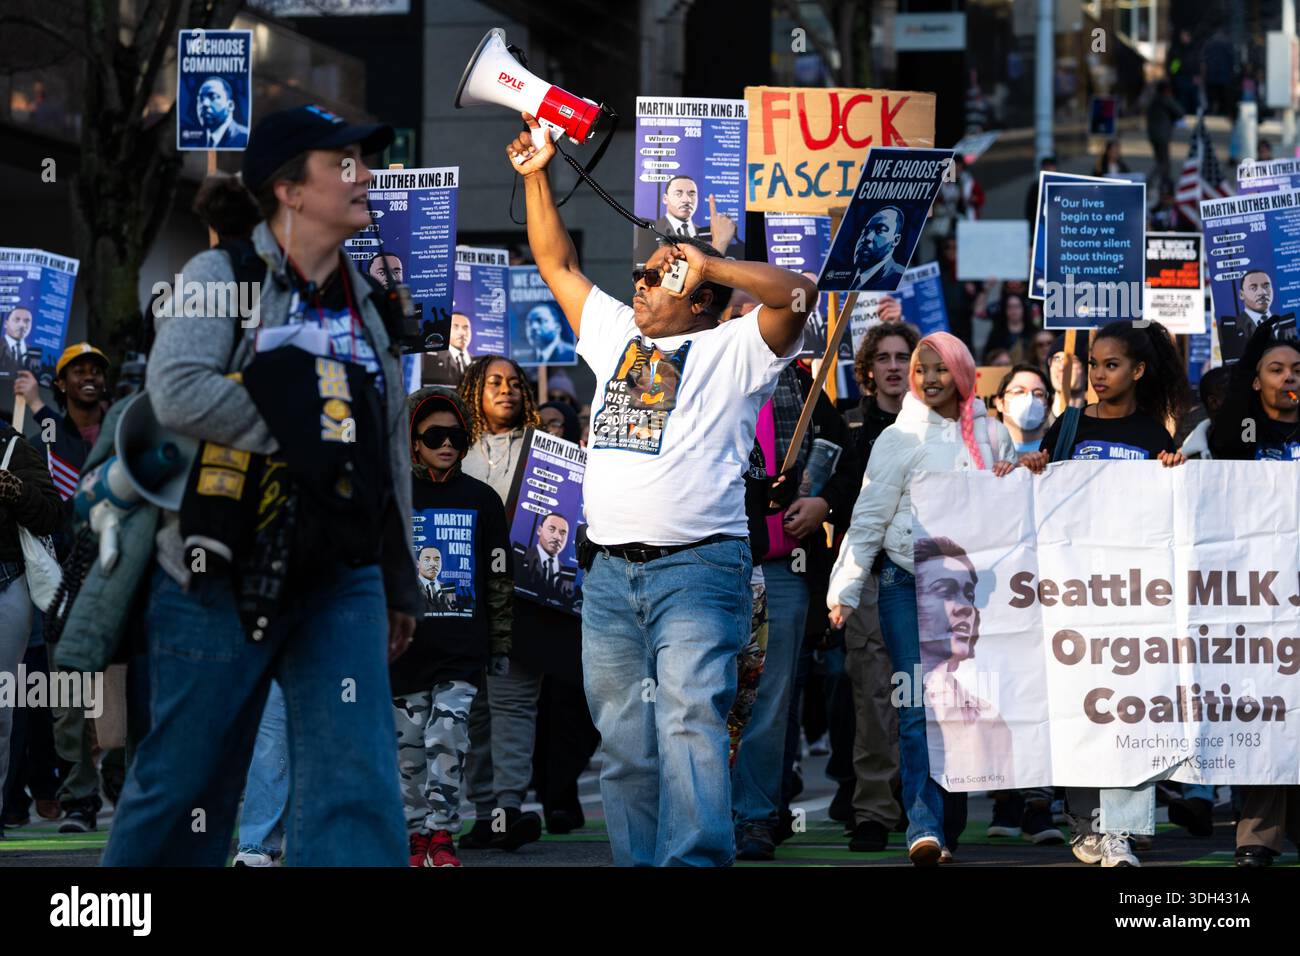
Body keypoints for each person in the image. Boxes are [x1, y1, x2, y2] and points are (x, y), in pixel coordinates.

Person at [101, 104, 417, 867]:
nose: (364, 177)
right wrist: (309, 425)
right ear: (289, 190)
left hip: (343, 573)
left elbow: (387, 443)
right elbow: (175, 390)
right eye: (342, 163)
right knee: (185, 783)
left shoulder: (367, 301)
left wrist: (398, 574)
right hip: (220, 568)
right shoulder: (220, 274)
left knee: (358, 783)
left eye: (364, 162)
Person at [509, 111, 816, 866]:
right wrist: (536, 175)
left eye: (654, 276)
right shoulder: (616, 332)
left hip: (697, 570)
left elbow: (799, 294)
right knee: (623, 746)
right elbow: (556, 263)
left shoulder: (734, 348)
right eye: (640, 276)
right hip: (609, 574)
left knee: (688, 726)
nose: (638, 285)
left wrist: (712, 266)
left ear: (697, 297)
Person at [827, 331, 1018, 866]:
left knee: (956, 707)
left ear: (961, 370)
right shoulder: (896, 438)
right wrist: (844, 587)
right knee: (914, 706)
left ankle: (947, 826)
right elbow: (867, 519)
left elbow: (1010, 516)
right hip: (903, 583)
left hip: (970, 591)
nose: (929, 378)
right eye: (920, 368)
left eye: (939, 368)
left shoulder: (995, 435)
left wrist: (1012, 476)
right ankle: (922, 826)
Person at [1022, 321, 1191, 867]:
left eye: (1111, 365)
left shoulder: (1154, 437)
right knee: (1080, 708)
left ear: (1138, 371)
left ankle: (1118, 831)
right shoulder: (1066, 426)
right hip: (1072, 596)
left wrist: (1173, 473)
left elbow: (1170, 519)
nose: (1098, 374)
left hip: (1134, 599)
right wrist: (1034, 466)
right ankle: (1083, 824)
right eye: (1094, 364)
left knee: (1130, 709)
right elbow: (1038, 502)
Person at [397, 385, 513, 868]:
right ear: (412, 441)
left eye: (456, 435)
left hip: (462, 651)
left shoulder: (483, 499)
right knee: (408, 753)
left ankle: (441, 835)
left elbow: (500, 579)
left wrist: (500, 644)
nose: (446, 443)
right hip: (403, 651)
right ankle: (413, 837)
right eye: (434, 435)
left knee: (447, 740)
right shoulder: (395, 496)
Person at [1207, 320, 1300, 865]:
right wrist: (1249, 355)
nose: (1289, 377)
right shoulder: (1243, 438)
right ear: (1258, 381)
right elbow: (1223, 437)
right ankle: (1257, 837)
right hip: (1259, 601)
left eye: (1296, 370)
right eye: (1276, 369)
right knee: (1265, 711)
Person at [13, 343, 111, 832]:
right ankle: (79, 800)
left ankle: (125, 784)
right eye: (79, 371)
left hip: (118, 576)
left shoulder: (125, 427)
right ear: (62, 383)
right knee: (68, 697)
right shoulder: (43, 437)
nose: (89, 377)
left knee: (121, 692)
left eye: (96, 370)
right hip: (65, 581)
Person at [456, 354, 547, 852]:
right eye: (495, 382)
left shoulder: (544, 450)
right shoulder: (454, 449)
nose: (507, 390)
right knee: (472, 709)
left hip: (522, 596)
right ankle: (485, 810)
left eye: (515, 383)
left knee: (513, 704)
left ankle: (508, 809)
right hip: (463, 597)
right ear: (475, 389)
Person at [838, 320, 919, 851]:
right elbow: (839, 504)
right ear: (868, 371)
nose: (894, 366)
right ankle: (872, 807)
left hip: (927, 577)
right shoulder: (848, 429)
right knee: (873, 694)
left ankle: (924, 808)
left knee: (925, 698)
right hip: (869, 576)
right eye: (884, 358)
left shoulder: (937, 427)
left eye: (902, 357)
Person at [0, 418, 64, 834]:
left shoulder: (13, 446)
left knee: (0, 713)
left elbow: (51, 515)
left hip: (5, 586)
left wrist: (15, 490)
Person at [633, 175, 742, 263]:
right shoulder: (648, 230)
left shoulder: (711, 233)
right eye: (678, 194)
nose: (686, 199)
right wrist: (719, 244)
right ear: (665, 199)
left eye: (692, 194)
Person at [1219, 270, 1295, 362]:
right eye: (1253, 288)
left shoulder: (1289, 324)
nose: (1262, 292)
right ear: (1241, 295)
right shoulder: (1229, 330)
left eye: (1266, 286)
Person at [992, 364, 1052, 455]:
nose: (1030, 400)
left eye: (1038, 394)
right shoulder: (987, 452)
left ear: (1048, 407)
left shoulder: (1059, 451)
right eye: (1019, 391)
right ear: (1000, 403)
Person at [849, 206, 909, 291]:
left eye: (880, 230)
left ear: (895, 240)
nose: (868, 238)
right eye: (865, 231)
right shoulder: (843, 278)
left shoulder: (901, 278)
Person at [1179, 366, 1230, 459]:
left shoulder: (1251, 432)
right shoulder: (1185, 447)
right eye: (1233, 395)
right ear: (1213, 402)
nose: (1241, 399)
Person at [522, 512, 574, 602]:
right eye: (551, 529)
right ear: (539, 530)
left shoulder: (567, 575)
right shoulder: (522, 557)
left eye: (563, 533)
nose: (557, 537)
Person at [1146, 79, 1185, 193]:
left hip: (1154, 135)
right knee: (1163, 162)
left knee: (1161, 161)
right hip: (1162, 136)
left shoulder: (1154, 99)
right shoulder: (1165, 99)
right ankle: (1156, 183)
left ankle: (1164, 184)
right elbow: (1180, 112)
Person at [197, 77, 249, 148]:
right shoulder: (194, 142)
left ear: (230, 105)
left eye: (213, 97)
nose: (204, 103)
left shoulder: (245, 137)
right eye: (200, 99)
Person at [423, 312, 473, 387]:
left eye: (466, 328)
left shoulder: (476, 362)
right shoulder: (430, 358)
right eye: (455, 327)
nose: (462, 332)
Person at [417, 546, 459, 612]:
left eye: (437, 560)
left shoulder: (448, 589)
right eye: (427, 560)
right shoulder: (410, 587)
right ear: (417, 563)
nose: (433, 564)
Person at [1, 308, 37, 377]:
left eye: (27, 321)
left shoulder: (33, 352)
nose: (22, 325)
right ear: (6, 324)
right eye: (17, 320)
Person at [1024, 155, 1057, 223]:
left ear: (1054, 169)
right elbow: (1029, 210)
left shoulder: (1060, 187)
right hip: (1039, 225)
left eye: (1050, 167)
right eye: (1045, 168)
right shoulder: (1035, 187)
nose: (1048, 170)